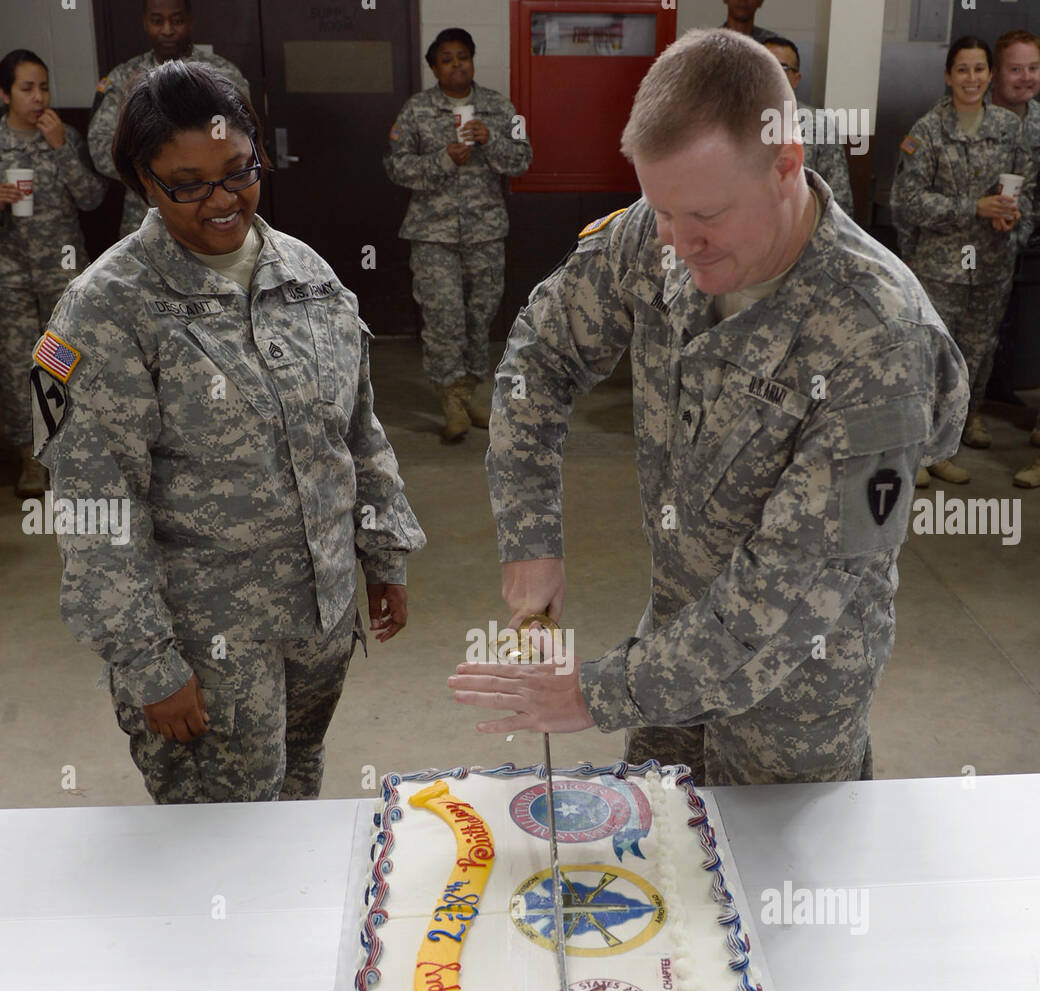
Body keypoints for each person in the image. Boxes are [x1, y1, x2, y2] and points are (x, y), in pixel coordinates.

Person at [449, 30, 968, 788]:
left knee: (769, 895)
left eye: (706, 218)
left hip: (792, 704)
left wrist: (590, 694)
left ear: (787, 164)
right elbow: (539, 357)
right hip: (668, 653)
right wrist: (531, 539)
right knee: (655, 870)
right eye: (660, 209)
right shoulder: (663, 231)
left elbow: (781, 614)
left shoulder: (880, 341)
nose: (678, 244)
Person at [33, 61, 425, 804]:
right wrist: (150, 665)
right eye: (188, 184)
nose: (222, 201)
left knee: (298, 805)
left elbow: (358, 430)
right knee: (220, 849)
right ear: (143, 179)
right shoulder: (103, 311)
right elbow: (96, 508)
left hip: (319, 621)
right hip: (205, 646)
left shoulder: (306, 274)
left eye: (240, 172)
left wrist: (383, 551)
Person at [891, 36, 1034, 487]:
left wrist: (1013, 222)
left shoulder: (1010, 130)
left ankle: (953, 438)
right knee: (930, 359)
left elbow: (1027, 195)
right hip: (939, 269)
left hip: (991, 269)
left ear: (990, 75)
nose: (971, 78)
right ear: (950, 76)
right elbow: (906, 202)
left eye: (979, 69)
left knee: (976, 356)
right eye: (963, 70)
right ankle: (915, 450)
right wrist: (972, 207)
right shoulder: (928, 131)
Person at [384, 27, 532, 444]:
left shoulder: (499, 108)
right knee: (444, 315)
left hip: (485, 232)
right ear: (434, 67)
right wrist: (443, 159)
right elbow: (396, 167)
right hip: (433, 233)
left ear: (472, 61)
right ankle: (450, 398)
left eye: (462, 56)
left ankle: (468, 391)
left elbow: (523, 159)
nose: (456, 64)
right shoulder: (416, 110)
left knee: (479, 316)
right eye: (446, 59)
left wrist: (494, 140)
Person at [0, 49, 105, 498]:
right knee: (17, 366)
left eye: (44, 86)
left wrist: (62, 148)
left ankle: (70, 451)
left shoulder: (65, 135)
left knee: (62, 362)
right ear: (4, 94)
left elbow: (92, 198)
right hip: (12, 273)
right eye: (27, 88)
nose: (39, 97)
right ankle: (29, 461)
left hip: (64, 272)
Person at [89, 0, 249, 240]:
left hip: (213, 211)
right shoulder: (123, 78)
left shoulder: (222, 74)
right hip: (145, 216)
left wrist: (197, 174)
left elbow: (245, 139)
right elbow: (100, 147)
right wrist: (164, 173)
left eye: (177, 21)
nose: (167, 30)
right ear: (145, 23)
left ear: (190, 21)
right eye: (157, 21)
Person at [989, 28, 1040, 486]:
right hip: (975, 251)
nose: (1025, 78)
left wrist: (1020, 228)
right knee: (976, 342)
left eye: (1033, 68)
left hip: (1026, 242)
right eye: (1015, 69)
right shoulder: (976, 118)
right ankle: (967, 418)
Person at [763, 37, 854, 217]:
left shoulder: (818, 125)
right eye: (765, 64)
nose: (771, 73)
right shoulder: (734, 122)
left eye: (782, 68)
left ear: (796, 79)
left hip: (801, 235)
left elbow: (839, 201)